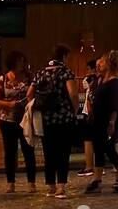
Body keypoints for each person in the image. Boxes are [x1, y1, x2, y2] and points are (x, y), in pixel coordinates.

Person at [28, 45, 80, 199]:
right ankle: (61, 187)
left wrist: (38, 108)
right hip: (64, 118)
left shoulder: (40, 73)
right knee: (63, 152)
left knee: (48, 152)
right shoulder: (65, 72)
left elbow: (29, 94)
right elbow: (73, 94)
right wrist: (74, 110)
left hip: (45, 119)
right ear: (64, 57)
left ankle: (50, 186)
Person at [0, 51, 37, 193]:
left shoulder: (30, 77)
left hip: (26, 120)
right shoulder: (3, 79)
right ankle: (10, 182)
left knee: (28, 151)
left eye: (23, 60)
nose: (22, 64)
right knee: (10, 152)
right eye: (19, 61)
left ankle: (31, 182)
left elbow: (36, 94)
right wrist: (8, 104)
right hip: (7, 120)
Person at [85, 53, 118, 194]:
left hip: (107, 121)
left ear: (109, 65)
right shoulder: (102, 80)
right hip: (98, 120)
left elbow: (116, 104)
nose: (99, 65)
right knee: (98, 148)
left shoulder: (115, 82)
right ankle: (97, 178)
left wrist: (112, 122)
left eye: (102, 63)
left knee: (109, 149)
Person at [77, 58, 100, 176]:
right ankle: (97, 166)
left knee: (88, 140)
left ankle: (89, 166)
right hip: (94, 112)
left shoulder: (92, 80)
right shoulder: (99, 79)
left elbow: (87, 90)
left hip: (91, 112)